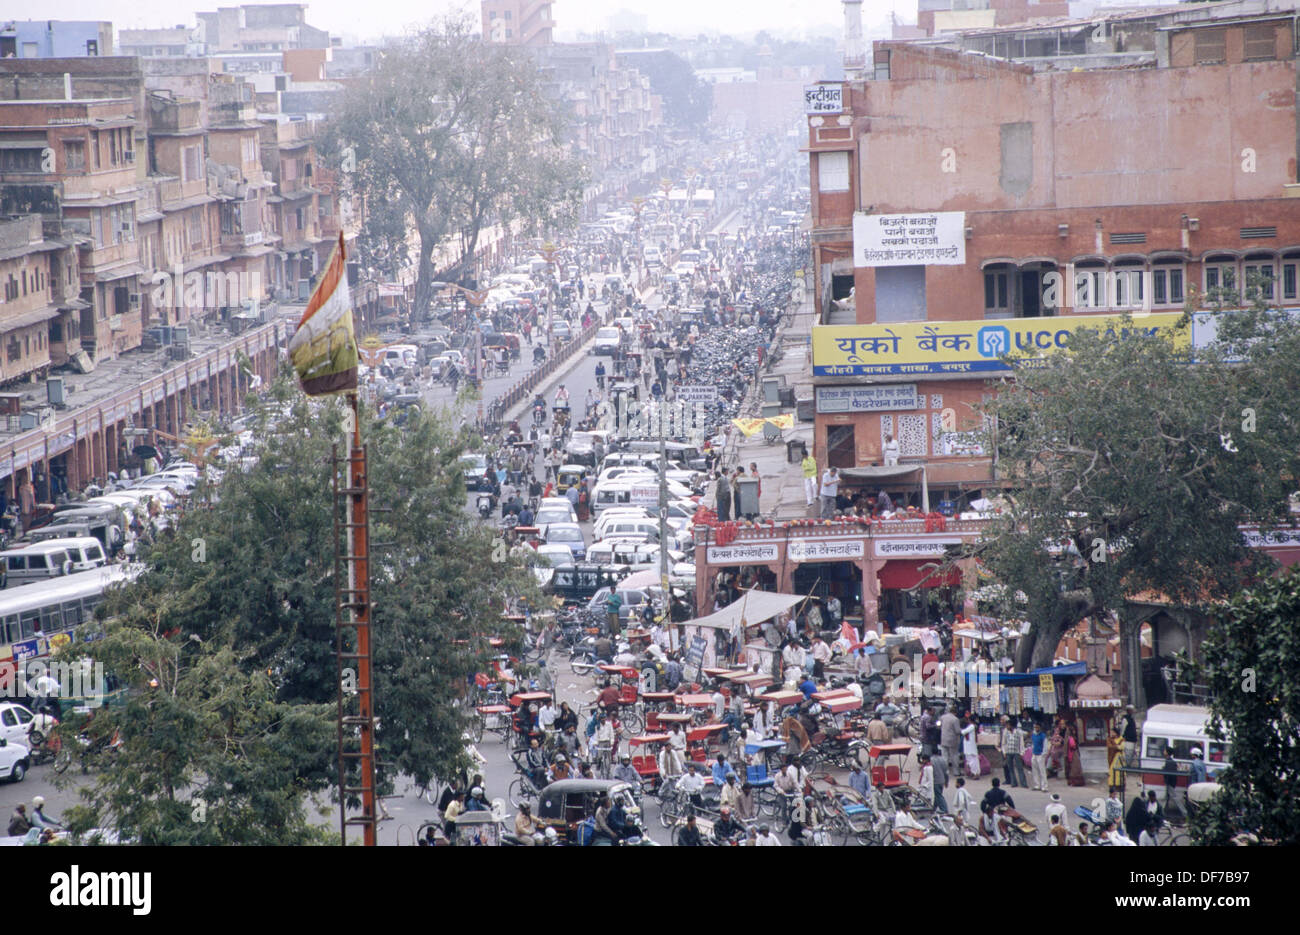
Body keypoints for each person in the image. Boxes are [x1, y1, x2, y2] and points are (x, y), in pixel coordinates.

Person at [1000, 716, 1027, 788]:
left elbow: (1021, 743)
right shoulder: (1005, 732)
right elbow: (1003, 743)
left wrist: (1022, 753)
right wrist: (1004, 752)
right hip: (1008, 752)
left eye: (1008, 725)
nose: (1007, 726)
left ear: (1011, 726)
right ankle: (1013, 782)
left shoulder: (1018, 732)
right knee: (1010, 768)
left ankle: (1023, 783)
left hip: (1017, 752)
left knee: (1019, 768)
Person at [940, 707, 961, 780]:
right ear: (955, 712)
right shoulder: (955, 719)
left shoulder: (943, 717)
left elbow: (940, 726)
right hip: (952, 740)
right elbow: (958, 731)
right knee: (954, 755)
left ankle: (944, 772)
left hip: (943, 739)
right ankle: (956, 772)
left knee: (944, 756)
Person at [1107, 727, 1126, 796]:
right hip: (1112, 757)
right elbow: (1110, 746)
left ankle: (1120, 786)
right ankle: (1112, 786)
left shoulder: (1121, 739)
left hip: (1119, 758)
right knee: (1112, 771)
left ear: (1116, 733)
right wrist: (1117, 747)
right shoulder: (1110, 739)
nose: (1111, 734)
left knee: (1119, 772)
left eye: (1112, 732)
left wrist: (1116, 747)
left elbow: (1122, 747)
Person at [1030, 721, 1049, 792]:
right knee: (1034, 771)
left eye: (1037, 727)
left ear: (1040, 728)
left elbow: (1045, 746)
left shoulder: (1043, 736)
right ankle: (1037, 785)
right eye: (1035, 727)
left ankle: (1044, 787)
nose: (1036, 728)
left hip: (1040, 755)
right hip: (1034, 754)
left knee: (1042, 771)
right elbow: (1033, 744)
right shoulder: (1033, 735)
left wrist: (1043, 754)